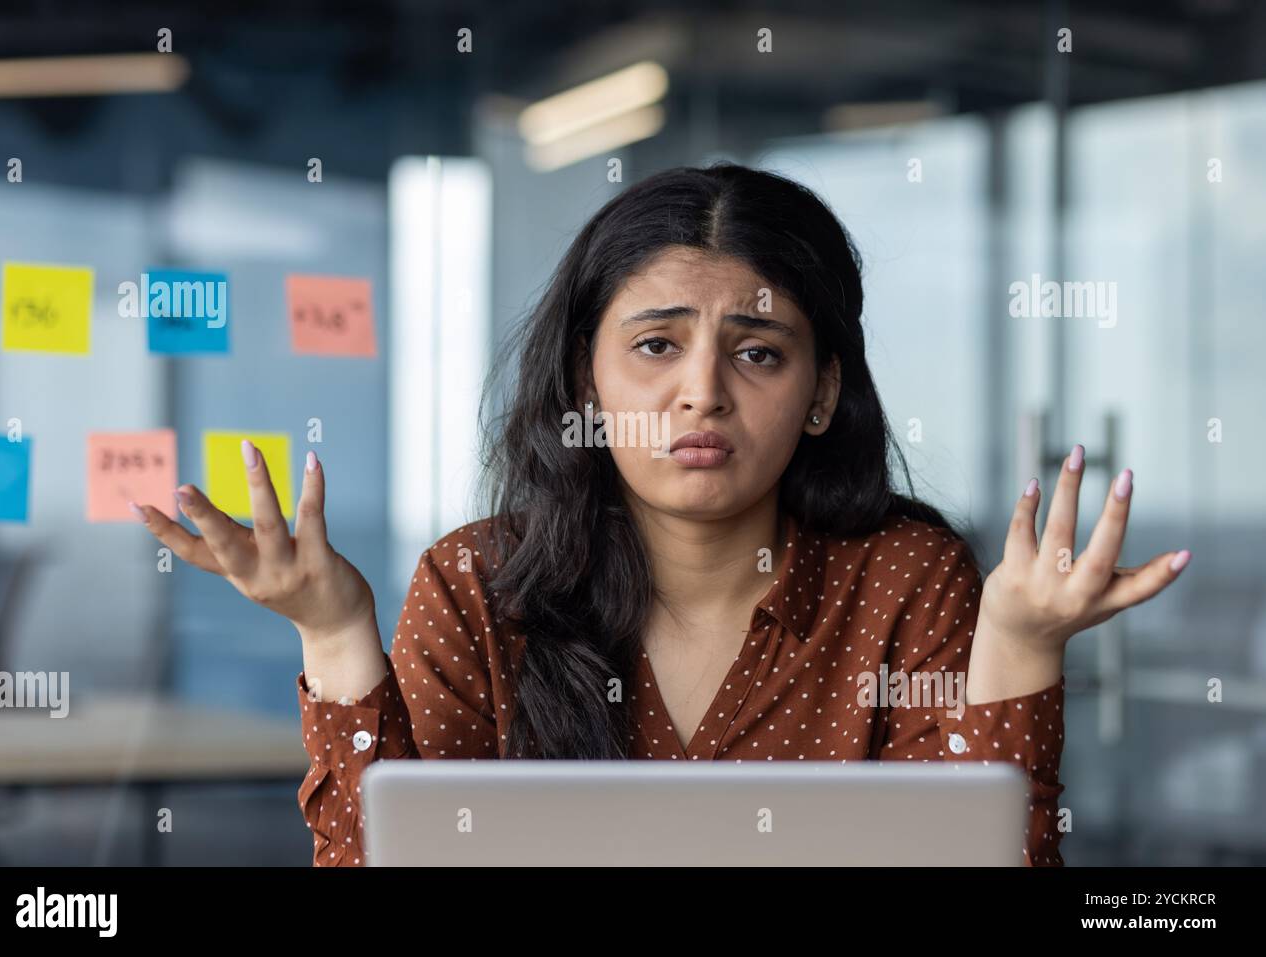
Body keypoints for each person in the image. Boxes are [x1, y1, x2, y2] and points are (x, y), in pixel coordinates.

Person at [132, 163, 1190, 867]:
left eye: (759, 351)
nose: (701, 393)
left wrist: (1016, 645)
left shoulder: (906, 578)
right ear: (584, 386)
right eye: (654, 345)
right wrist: (332, 634)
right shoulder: (473, 584)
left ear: (822, 393)